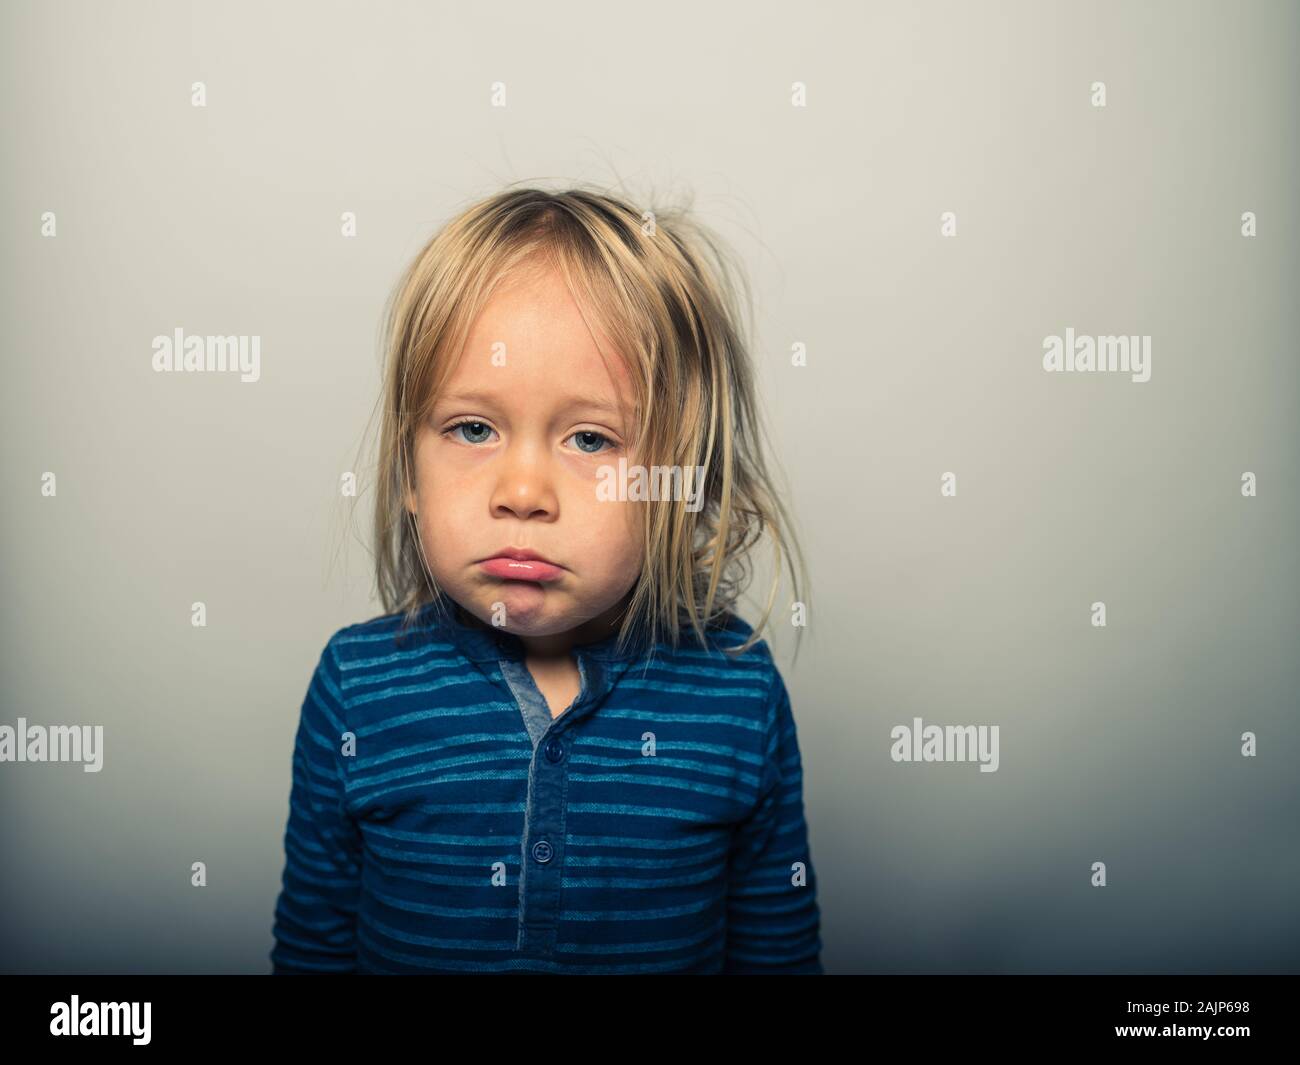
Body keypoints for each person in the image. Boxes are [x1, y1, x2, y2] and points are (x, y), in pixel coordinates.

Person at [270, 186, 821, 973]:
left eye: (591, 438)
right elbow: (311, 951)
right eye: (472, 428)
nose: (522, 492)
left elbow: (778, 956)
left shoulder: (738, 694)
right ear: (409, 472)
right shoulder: (358, 688)